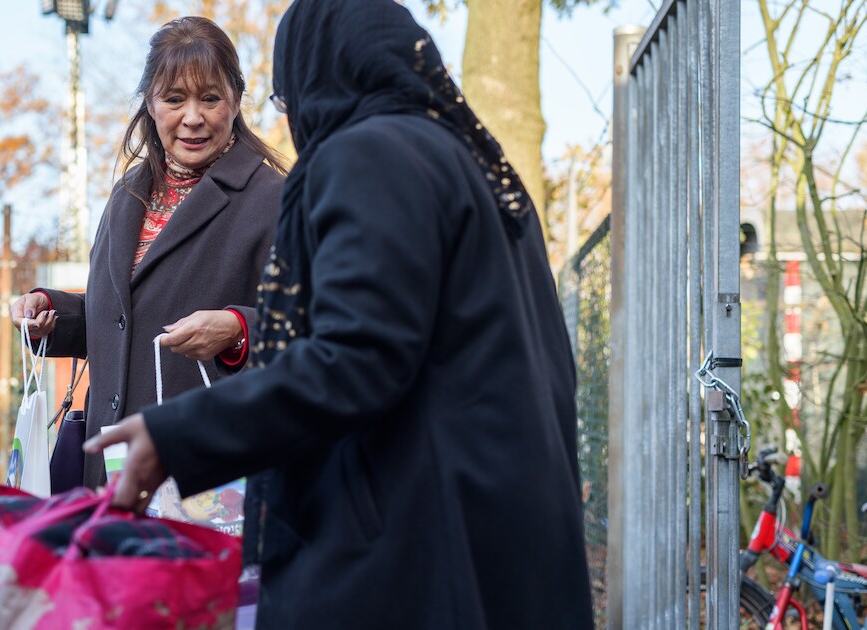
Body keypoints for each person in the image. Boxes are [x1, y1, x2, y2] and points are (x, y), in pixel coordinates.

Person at [85, 1, 595, 628]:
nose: (293, 116)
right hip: (508, 528)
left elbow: (357, 355)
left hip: (423, 541)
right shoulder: (473, 164)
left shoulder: (369, 157)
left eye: (285, 97)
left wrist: (177, 436)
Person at [11, 16, 286, 490]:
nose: (193, 117)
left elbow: (312, 328)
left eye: (211, 98)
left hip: (209, 478)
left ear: (236, 101)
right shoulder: (128, 196)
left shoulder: (272, 200)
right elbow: (122, 318)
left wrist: (237, 330)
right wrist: (54, 313)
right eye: (175, 99)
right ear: (151, 104)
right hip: (113, 473)